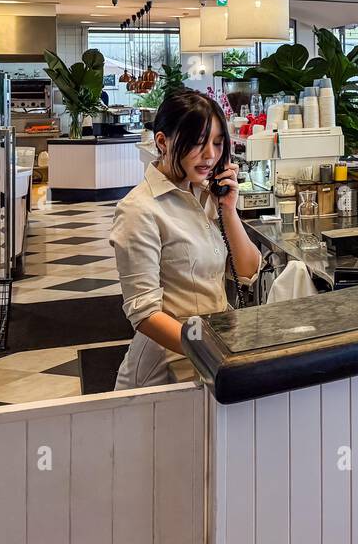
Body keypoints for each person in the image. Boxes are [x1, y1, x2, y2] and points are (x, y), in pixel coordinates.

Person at [110, 88, 261, 389]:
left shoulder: (206, 194)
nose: (210, 155)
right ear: (162, 141)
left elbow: (247, 271)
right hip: (167, 369)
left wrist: (228, 211)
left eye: (218, 144)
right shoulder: (138, 209)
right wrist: (208, 351)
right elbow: (145, 314)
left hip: (214, 356)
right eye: (197, 143)